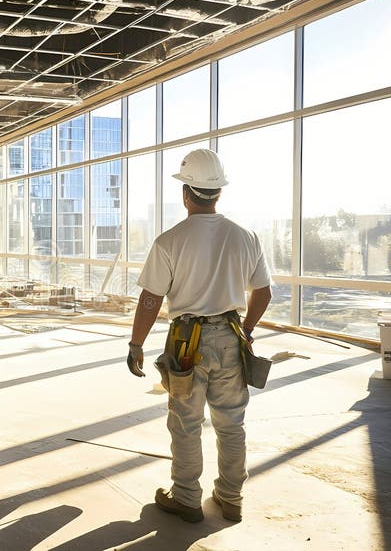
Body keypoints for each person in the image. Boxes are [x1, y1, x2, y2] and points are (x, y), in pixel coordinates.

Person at [125, 148, 272, 523]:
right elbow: (264, 292)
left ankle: (188, 497)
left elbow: (150, 299)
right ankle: (231, 497)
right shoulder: (246, 236)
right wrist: (248, 331)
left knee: (186, 422)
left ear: (186, 193)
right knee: (231, 422)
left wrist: (136, 344)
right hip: (231, 337)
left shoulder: (170, 241)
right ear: (219, 192)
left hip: (186, 342)